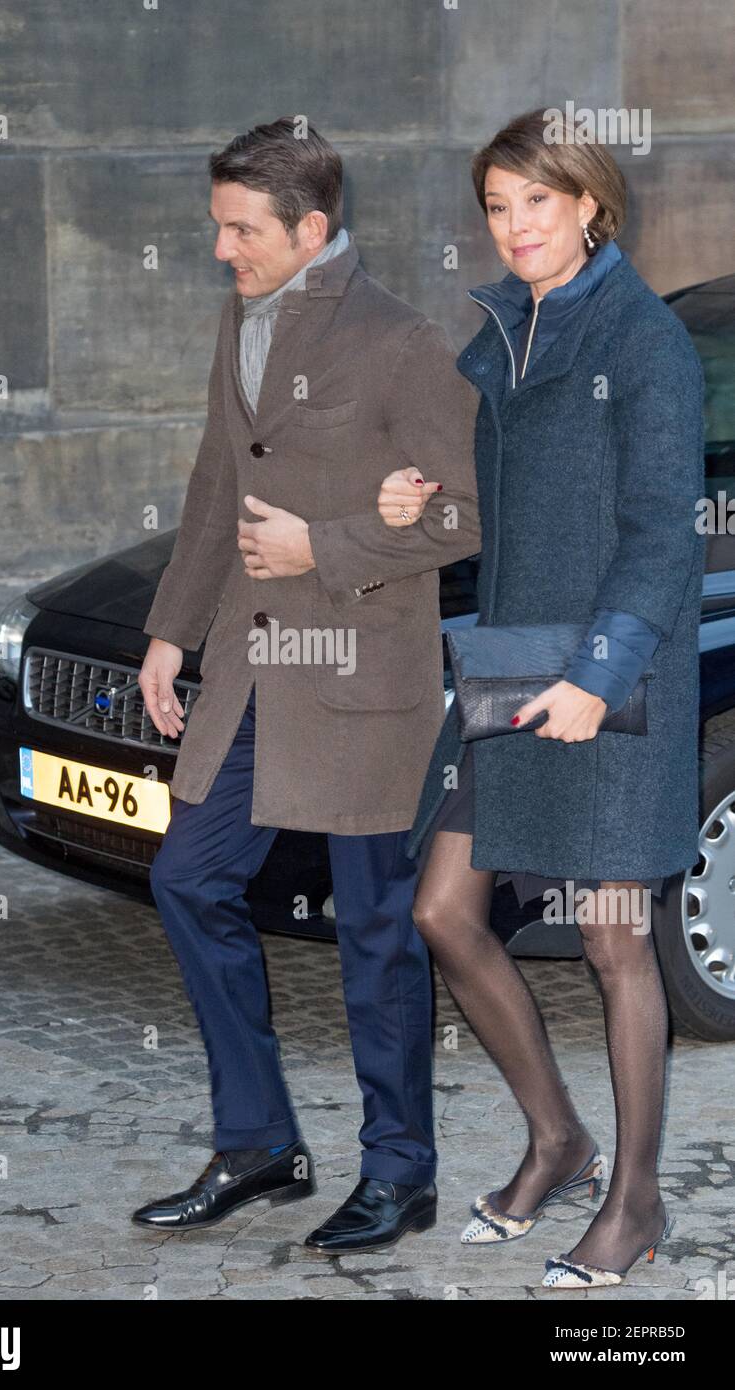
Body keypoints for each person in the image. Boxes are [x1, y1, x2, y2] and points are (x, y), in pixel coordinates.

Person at [133, 116, 481, 1253]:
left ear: (311, 228)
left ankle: (401, 1172)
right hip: (249, 672)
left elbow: (465, 515)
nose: (220, 250)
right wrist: (169, 634)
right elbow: (213, 486)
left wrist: (321, 548)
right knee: (189, 877)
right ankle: (259, 1144)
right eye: (217, 226)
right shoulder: (238, 318)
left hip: (360, 683)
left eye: (241, 230)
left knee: (374, 930)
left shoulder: (401, 342)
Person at [381, 107, 705, 1287]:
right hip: (516, 662)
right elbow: (510, 525)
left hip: (617, 676)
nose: (514, 225)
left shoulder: (643, 341)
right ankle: (556, 1139)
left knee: (615, 939)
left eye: (536, 201)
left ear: (587, 205)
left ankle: (633, 1202)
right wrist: (431, 508)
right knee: (440, 909)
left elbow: (660, 535)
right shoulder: (507, 334)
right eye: (496, 205)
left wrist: (595, 676)